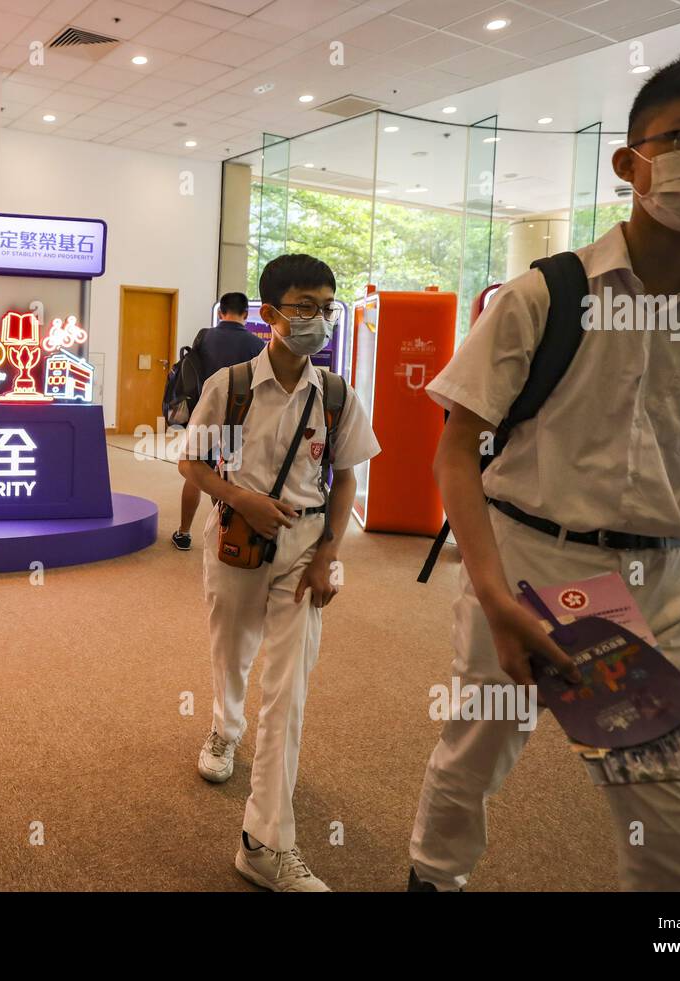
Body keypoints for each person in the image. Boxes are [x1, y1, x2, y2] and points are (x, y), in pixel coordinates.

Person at [408, 52, 680, 892]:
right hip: (531, 569)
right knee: (478, 748)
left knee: (679, 825)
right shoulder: (542, 297)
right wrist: (493, 594)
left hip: (661, 588)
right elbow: (458, 447)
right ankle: (432, 878)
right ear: (630, 161)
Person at [179, 255, 380, 891]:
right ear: (270, 314)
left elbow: (345, 476)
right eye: (303, 306)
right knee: (233, 651)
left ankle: (265, 842)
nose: (317, 319)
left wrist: (329, 554)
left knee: (289, 690)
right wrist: (242, 499)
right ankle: (224, 728)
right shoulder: (232, 387)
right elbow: (195, 468)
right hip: (239, 540)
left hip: (304, 549)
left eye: (326, 307)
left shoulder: (338, 393)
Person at [172, 292, 265, 551]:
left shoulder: (204, 336)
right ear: (246, 314)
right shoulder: (256, 345)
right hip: (238, 421)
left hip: (203, 414)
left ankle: (183, 533)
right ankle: (225, 531)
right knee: (227, 478)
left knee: (195, 471)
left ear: (221, 312)